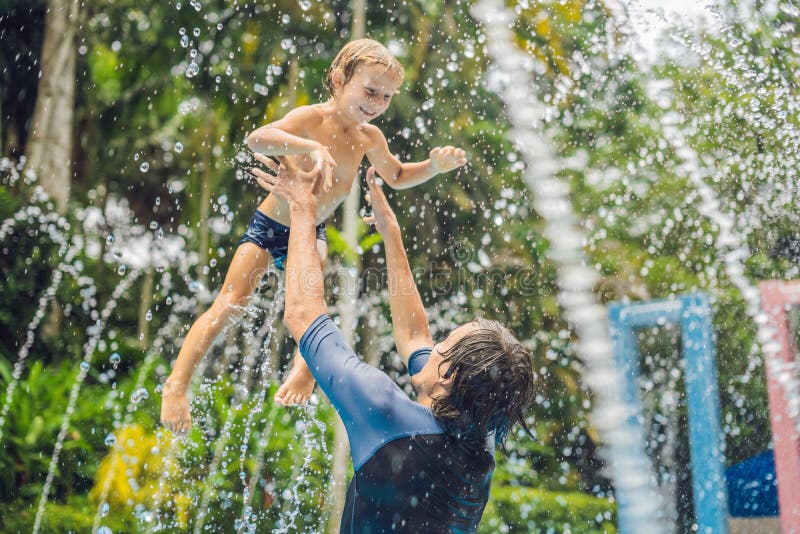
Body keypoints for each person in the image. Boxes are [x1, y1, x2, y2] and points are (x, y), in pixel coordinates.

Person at [161, 38, 467, 431]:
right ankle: (176, 386)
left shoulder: (370, 137)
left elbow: (397, 174)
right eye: (370, 91)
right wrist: (310, 147)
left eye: (387, 97)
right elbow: (257, 139)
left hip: (311, 230)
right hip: (270, 227)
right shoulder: (310, 118)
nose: (377, 103)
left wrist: (433, 167)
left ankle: (304, 371)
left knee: (316, 300)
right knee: (232, 301)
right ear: (339, 80)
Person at [253, 157, 535, 533]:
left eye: (445, 343)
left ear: (448, 377)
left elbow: (302, 313)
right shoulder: (480, 433)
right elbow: (415, 336)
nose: (434, 346)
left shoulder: (386, 413)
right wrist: (392, 234)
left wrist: (303, 205)